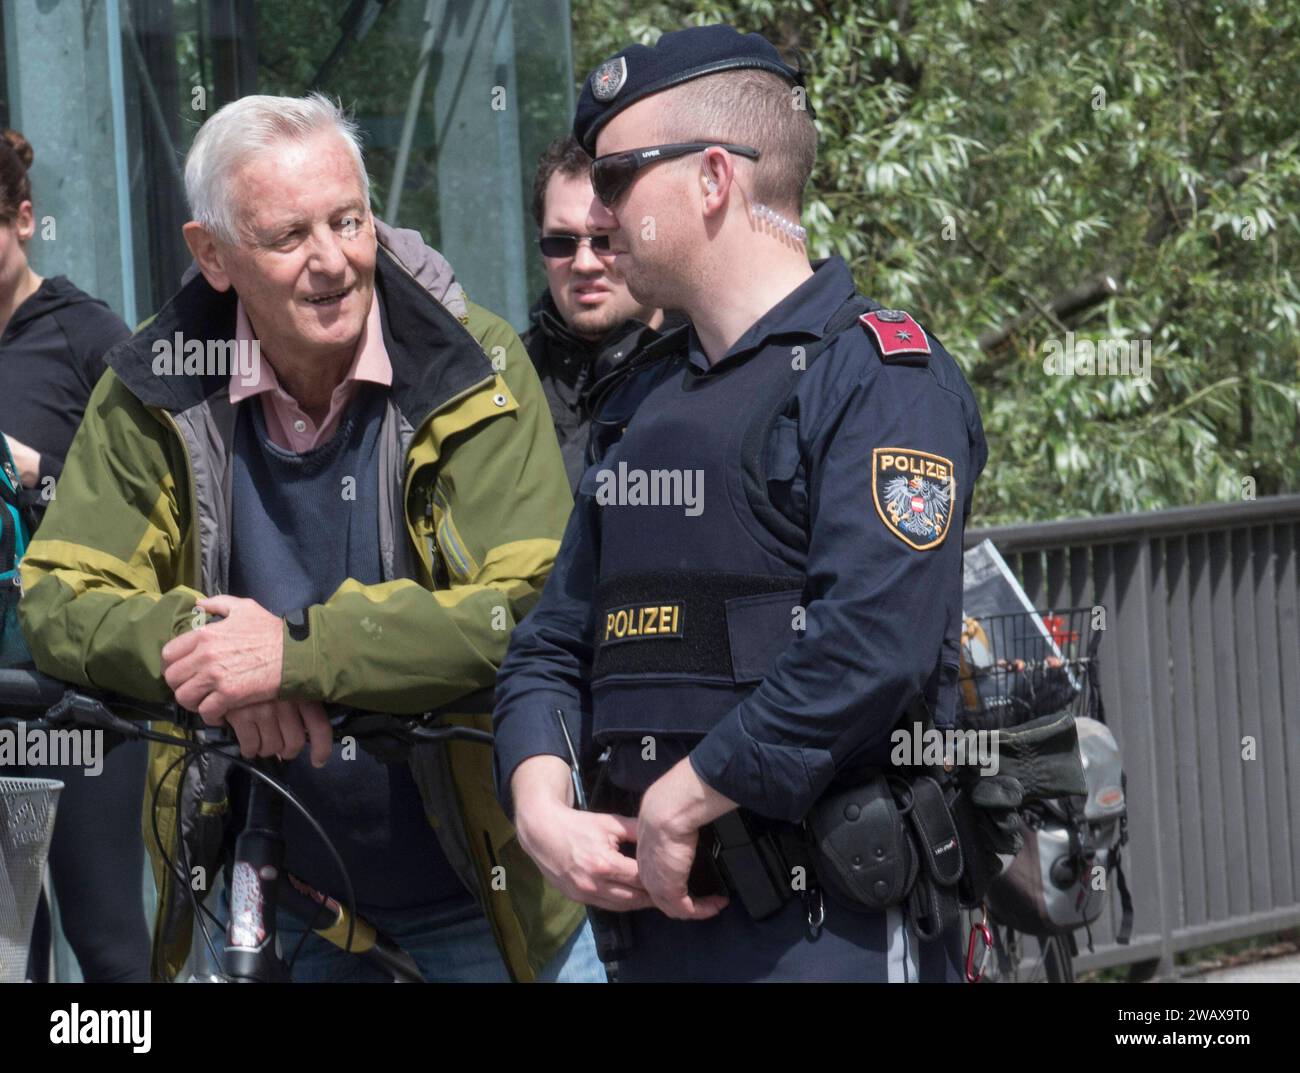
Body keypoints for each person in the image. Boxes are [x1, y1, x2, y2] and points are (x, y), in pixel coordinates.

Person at [19, 94, 601, 983]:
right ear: (212, 254)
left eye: (349, 220)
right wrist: (214, 655)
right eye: (290, 235)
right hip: (272, 898)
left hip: (487, 900)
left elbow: (527, 607)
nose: (332, 259)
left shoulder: (471, 361)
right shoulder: (154, 382)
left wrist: (297, 655)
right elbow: (57, 595)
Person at [493, 25, 988, 982]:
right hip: (650, 938)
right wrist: (541, 806)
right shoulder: (642, 400)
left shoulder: (880, 378)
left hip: (824, 933)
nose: (598, 210)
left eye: (617, 177)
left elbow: (870, 646)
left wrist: (686, 794)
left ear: (714, 177)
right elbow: (552, 644)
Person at [0, 127, 150, 983]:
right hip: (2, 694)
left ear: (24, 219)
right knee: (11, 949)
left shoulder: (85, 333)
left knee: (108, 941)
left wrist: (35, 473)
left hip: (80, 696)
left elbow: (153, 497)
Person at [525, 135, 683, 490]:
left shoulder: (706, 371)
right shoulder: (507, 378)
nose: (584, 263)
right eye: (561, 242)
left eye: (605, 239)